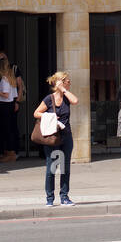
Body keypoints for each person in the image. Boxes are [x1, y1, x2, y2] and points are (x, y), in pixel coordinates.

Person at [34, 71, 78, 205]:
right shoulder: (49, 99)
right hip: (52, 137)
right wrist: (49, 116)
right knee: (52, 167)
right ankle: (50, 198)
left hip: (66, 135)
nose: (69, 82)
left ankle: (64, 196)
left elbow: (75, 101)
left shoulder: (66, 97)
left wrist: (63, 90)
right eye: (67, 81)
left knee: (65, 168)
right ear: (59, 82)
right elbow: (36, 113)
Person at [0, 54, 24, 162]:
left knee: (8, 130)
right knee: (10, 129)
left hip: (6, 105)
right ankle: (10, 152)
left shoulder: (5, 79)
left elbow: (5, 94)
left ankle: (10, 153)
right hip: (10, 104)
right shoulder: (11, 78)